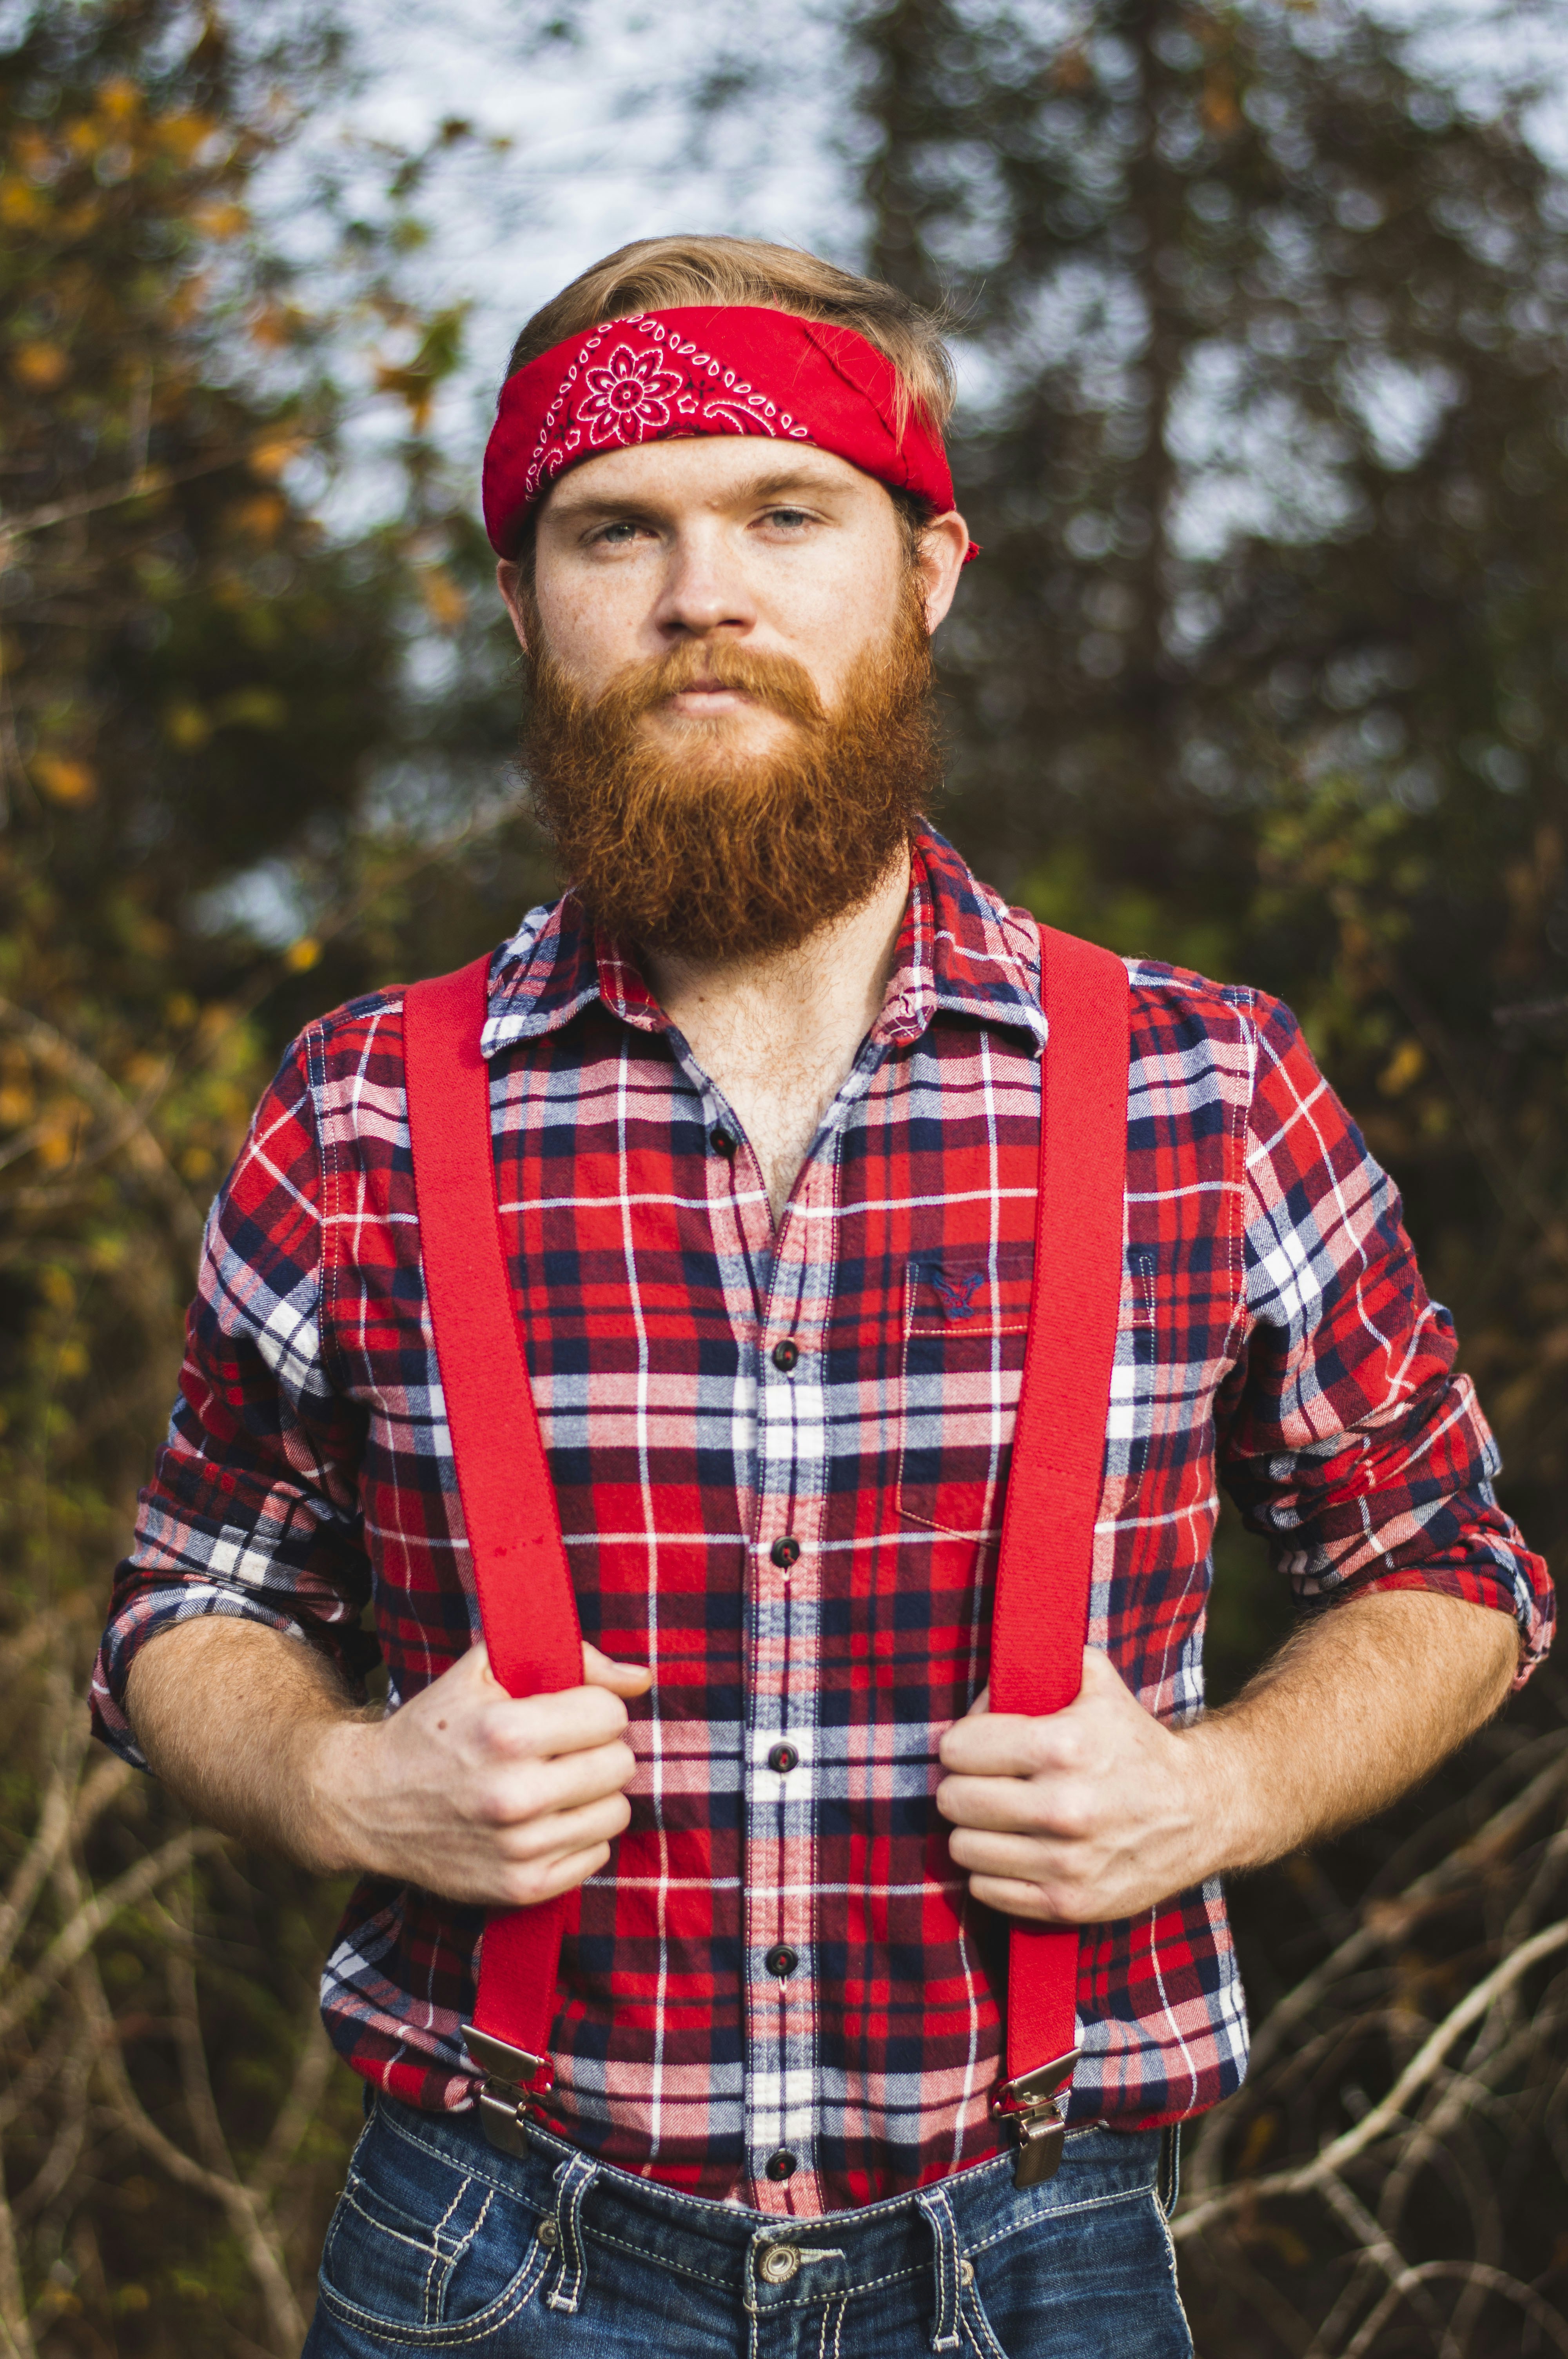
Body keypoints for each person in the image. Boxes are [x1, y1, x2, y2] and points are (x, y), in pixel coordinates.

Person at [92, 234, 1552, 2358]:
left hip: (1040, 2254)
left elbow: (1459, 1564)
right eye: (619, 529)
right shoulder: (358, 1111)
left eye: (786, 512)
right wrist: (341, 1784)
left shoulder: (1201, 1085)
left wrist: (1219, 1789)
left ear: (926, 567)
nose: (704, 594)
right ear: (525, 601)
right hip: (492, 2255)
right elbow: (179, 1610)